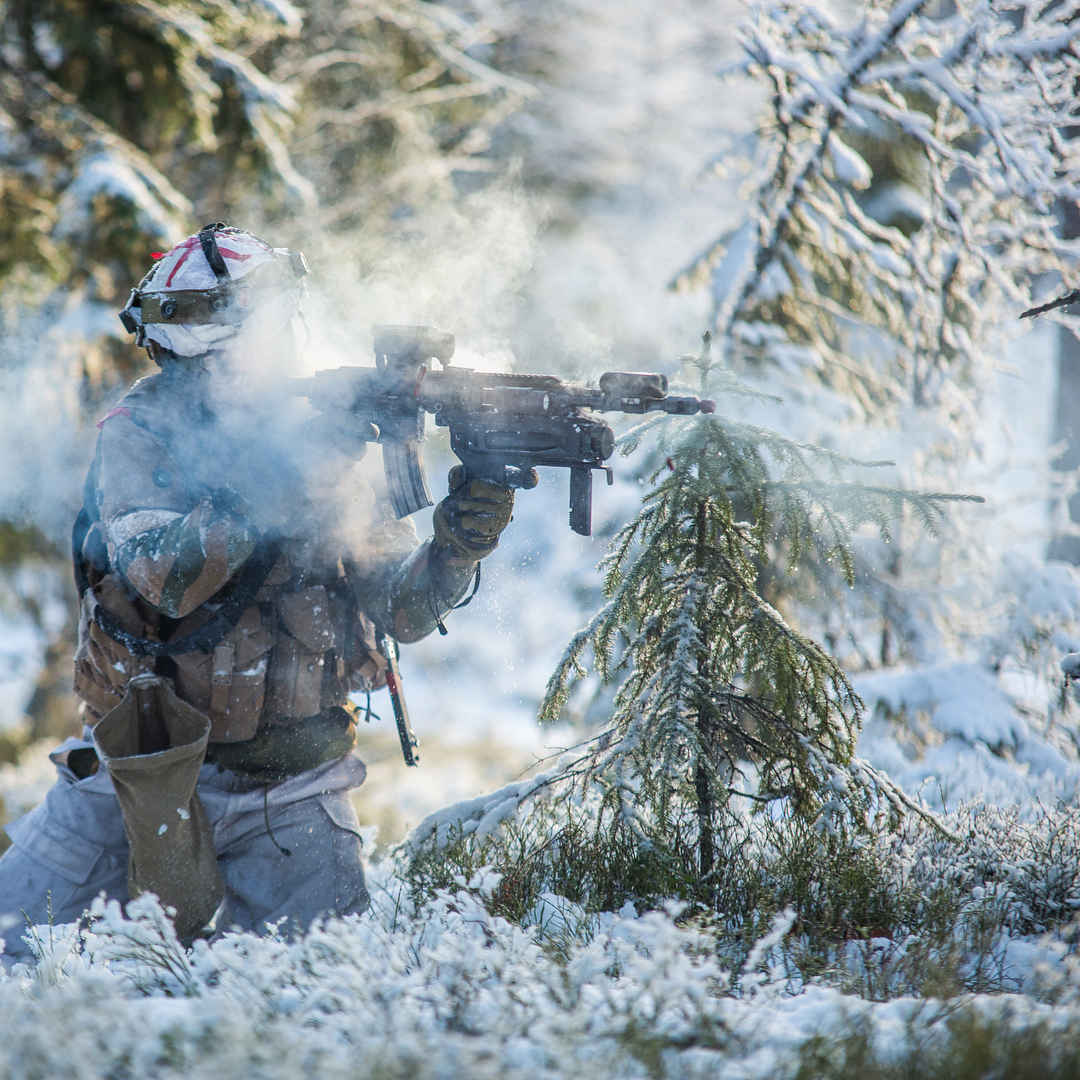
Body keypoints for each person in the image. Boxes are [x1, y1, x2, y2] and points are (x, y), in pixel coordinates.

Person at [0, 224, 514, 964]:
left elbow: (402, 609)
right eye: (257, 337)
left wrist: (459, 546)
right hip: (133, 771)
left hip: (290, 792)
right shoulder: (140, 436)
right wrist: (285, 468)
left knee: (320, 1001)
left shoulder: (328, 436)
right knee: (10, 944)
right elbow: (165, 579)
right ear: (200, 354)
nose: (279, 350)